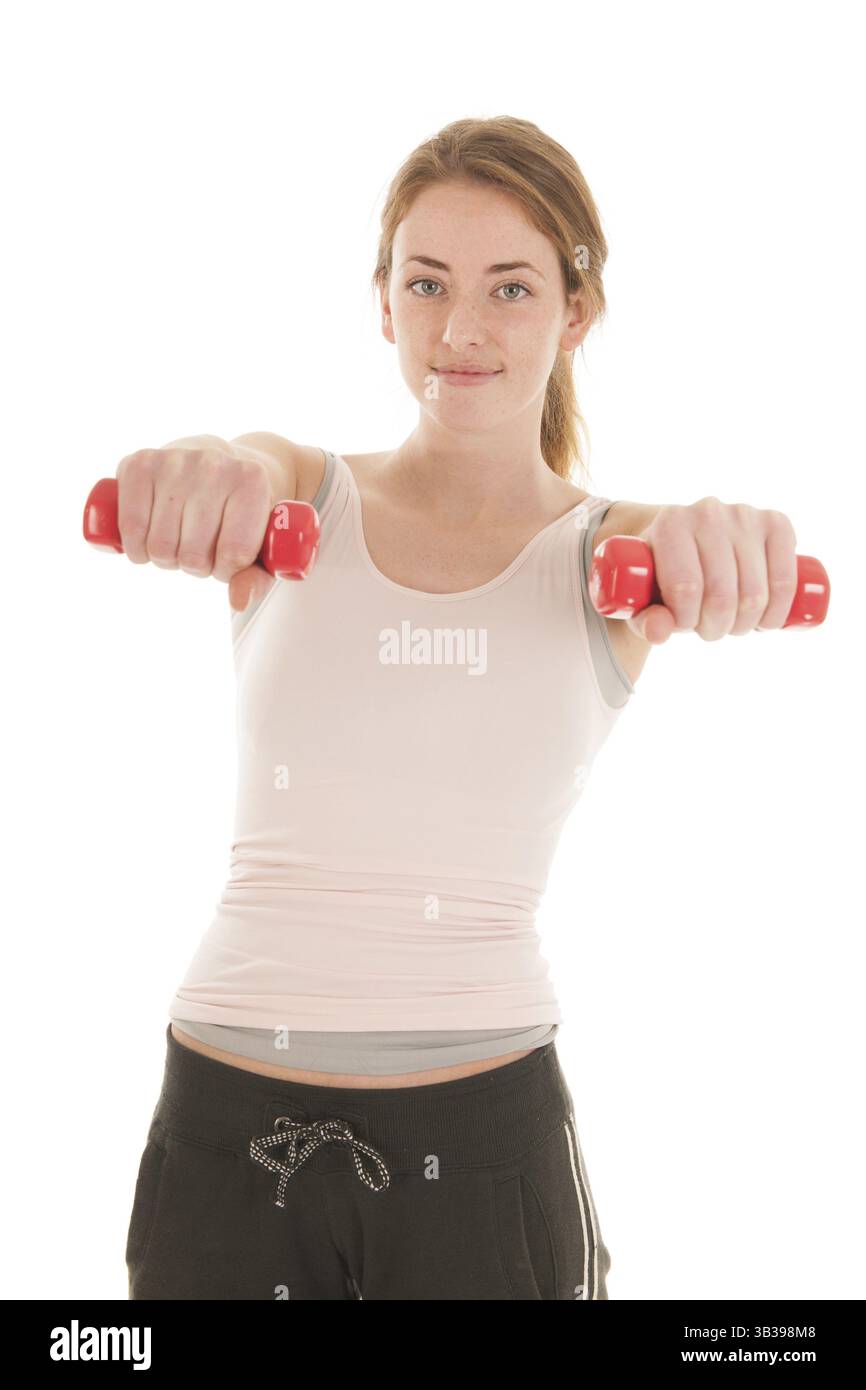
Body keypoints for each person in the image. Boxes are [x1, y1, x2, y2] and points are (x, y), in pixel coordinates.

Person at [121, 116, 799, 1301]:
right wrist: (197, 468)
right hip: (228, 1123)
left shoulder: (610, 553)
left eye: (511, 288)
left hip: (478, 1140)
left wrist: (728, 538)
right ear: (383, 304)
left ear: (575, 314)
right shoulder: (299, 496)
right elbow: (235, 459)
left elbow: (694, 532)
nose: (461, 329)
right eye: (426, 283)